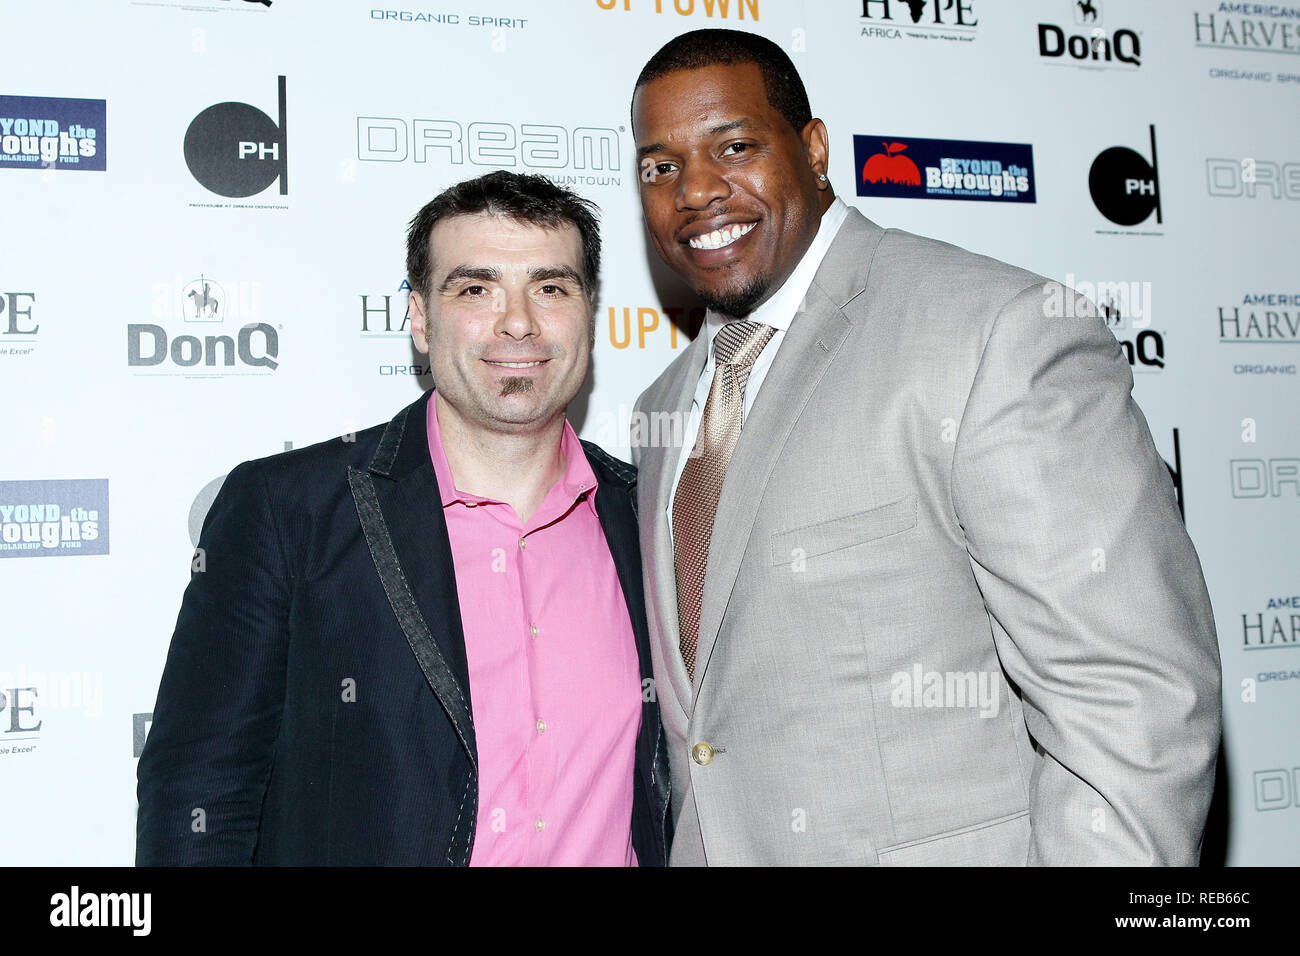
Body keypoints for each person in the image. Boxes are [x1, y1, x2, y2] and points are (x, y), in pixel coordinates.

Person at [629, 29, 1220, 866]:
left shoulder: (989, 333)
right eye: (660, 167)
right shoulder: (665, 408)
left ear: (815, 149)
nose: (696, 190)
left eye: (734, 146)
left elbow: (1130, 696)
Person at [137, 171, 669, 866]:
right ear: (419, 319)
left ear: (588, 313)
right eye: (476, 288)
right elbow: (198, 795)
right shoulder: (287, 511)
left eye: (551, 287)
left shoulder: (648, 512)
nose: (518, 321)